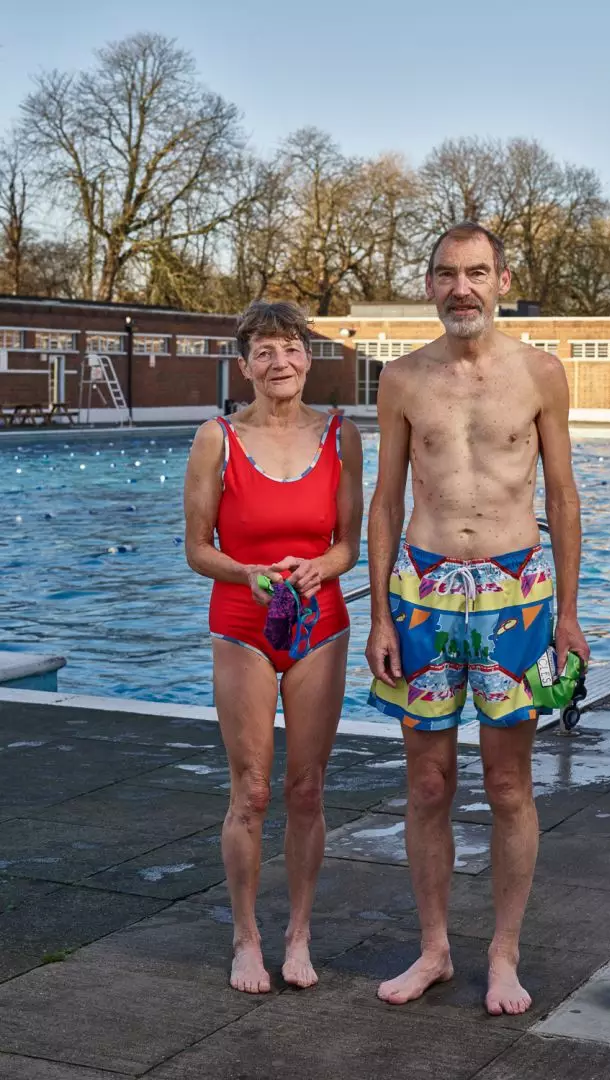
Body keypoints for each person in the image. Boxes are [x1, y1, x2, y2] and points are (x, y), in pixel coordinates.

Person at [365, 221, 589, 1016]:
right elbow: (386, 500)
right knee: (427, 784)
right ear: (428, 284)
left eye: (477, 272)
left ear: (500, 280)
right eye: (447, 273)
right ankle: (433, 950)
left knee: (507, 785)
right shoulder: (399, 378)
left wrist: (565, 611)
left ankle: (503, 954)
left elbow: (562, 497)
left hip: (515, 592)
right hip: (422, 592)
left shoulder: (541, 373)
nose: (462, 287)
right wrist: (382, 615)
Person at [184, 301, 363, 995]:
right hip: (242, 620)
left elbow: (349, 540)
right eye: (263, 350)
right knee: (252, 791)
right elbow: (198, 548)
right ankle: (247, 937)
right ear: (244, 363)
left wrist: (328, 566)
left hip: (320, 620)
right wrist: (246, 574)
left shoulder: (341, 436)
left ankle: (298, 934)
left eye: (290, 348)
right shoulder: (216, 439)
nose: (279, 362)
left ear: (308, 359)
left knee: (307, 789)